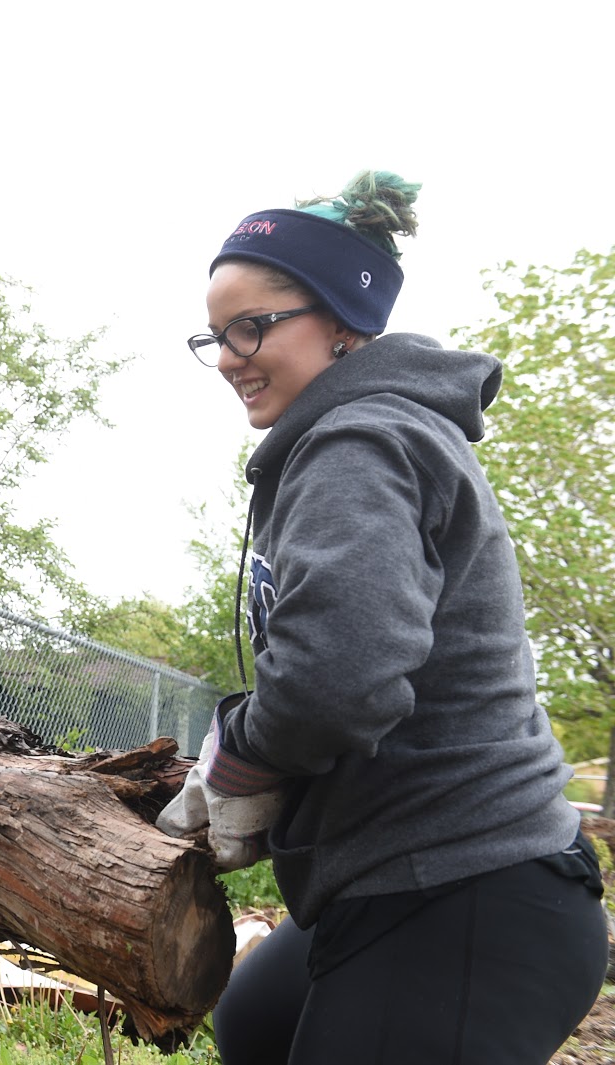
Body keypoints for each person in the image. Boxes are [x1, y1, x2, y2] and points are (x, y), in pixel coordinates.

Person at [157, 173, 606, 1064]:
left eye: (254, 326)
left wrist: (236, 752)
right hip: (403, 877)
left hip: (469, 887)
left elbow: (336, 680)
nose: (231, 356)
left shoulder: (357, 443)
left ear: (341, 323)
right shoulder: (363, 435)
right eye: (215, 334)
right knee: (255, 1023)